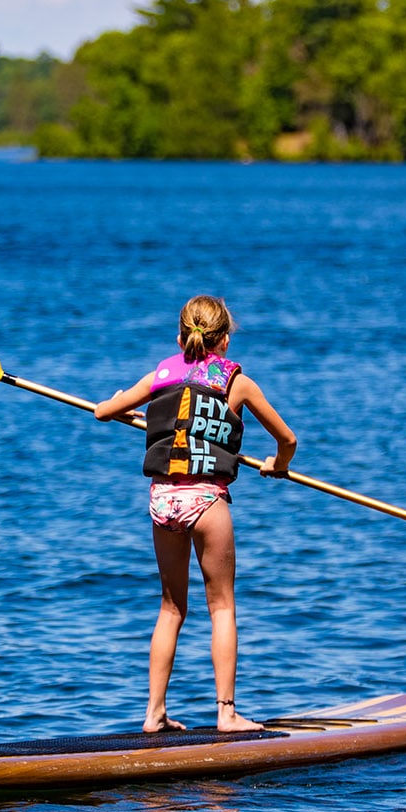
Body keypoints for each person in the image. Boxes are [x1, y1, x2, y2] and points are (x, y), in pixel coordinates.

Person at [94, 295, 296, 734]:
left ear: (180, 336)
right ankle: (226, 712)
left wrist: (120, 405)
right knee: (221, 606)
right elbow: (288, 440)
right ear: (223, 339)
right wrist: (276, 465)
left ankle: (153, 714)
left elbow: (102, 412)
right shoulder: (236, 382)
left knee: (171, 608)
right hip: (206, 501)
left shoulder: (159, 376)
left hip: (163, 500)